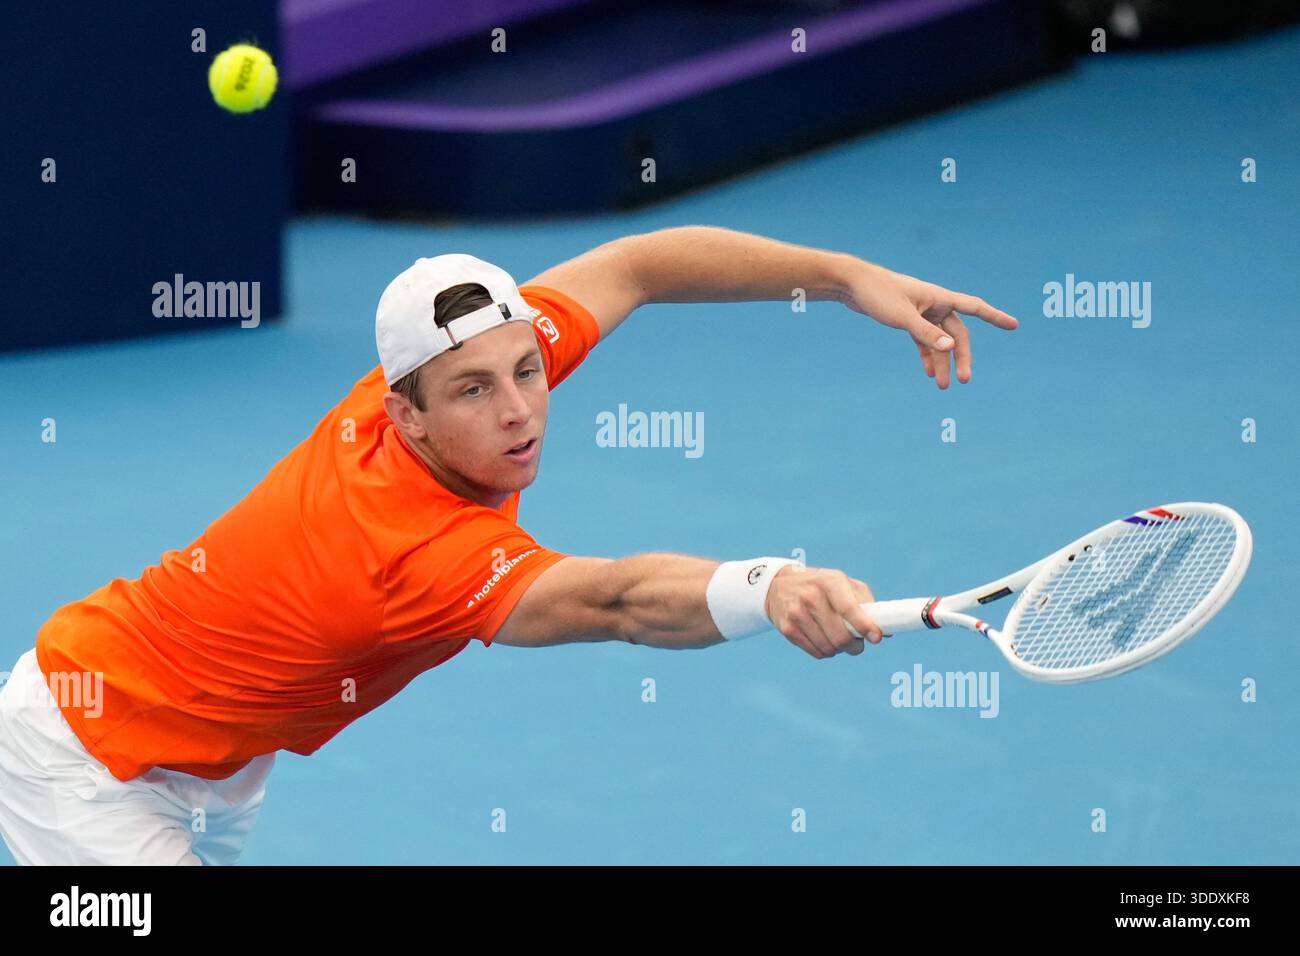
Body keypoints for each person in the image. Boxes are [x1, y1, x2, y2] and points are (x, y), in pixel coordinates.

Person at [0, 225, 1017, 864]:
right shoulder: (404, 553)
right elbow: (616, 599)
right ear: (405, 415)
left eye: (528, 369)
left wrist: (840, 275)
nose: (521, 411)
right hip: (85, 749)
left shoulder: (441, 370)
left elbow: (637, 264)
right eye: (476, 392)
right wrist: (771, 585)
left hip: (221, 752)